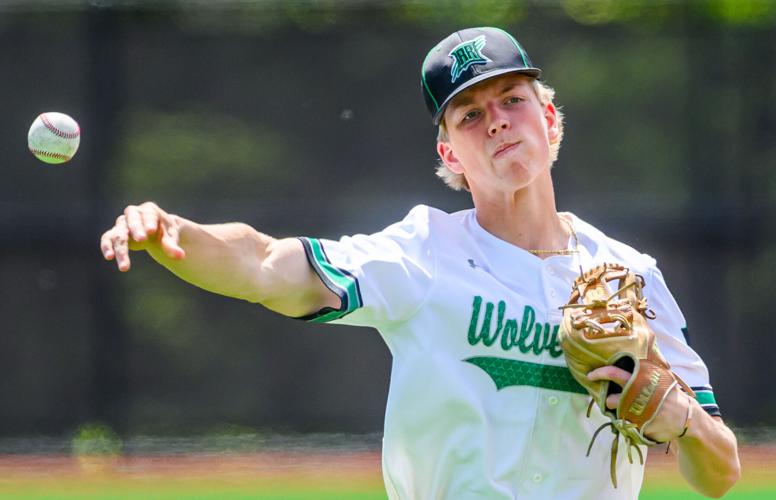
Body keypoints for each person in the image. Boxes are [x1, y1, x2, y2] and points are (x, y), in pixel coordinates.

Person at [101, 27, 740, 499]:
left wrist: (679, 420)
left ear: (547, 118)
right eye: (470, 114)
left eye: (512, 99)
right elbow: (268, 264)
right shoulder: (420, 252)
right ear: (450, 154)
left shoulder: (629, 274)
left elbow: (720, 473)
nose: (496, 121)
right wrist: (172, 230)